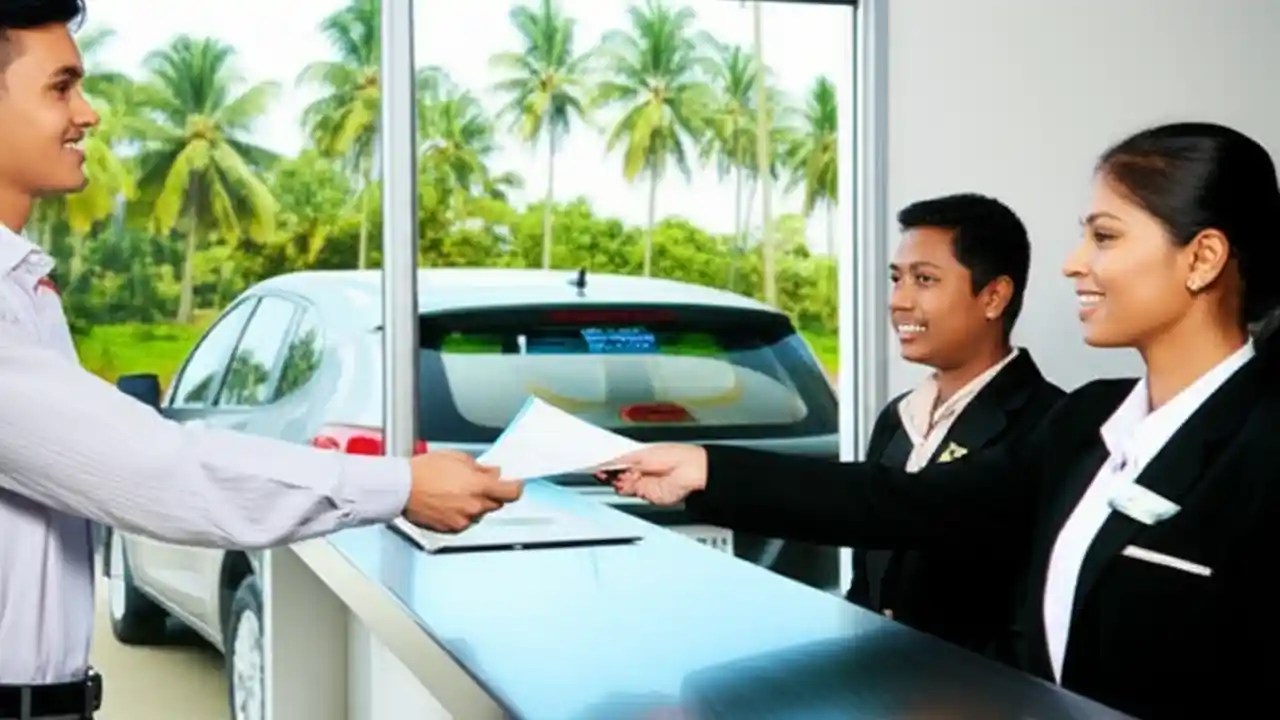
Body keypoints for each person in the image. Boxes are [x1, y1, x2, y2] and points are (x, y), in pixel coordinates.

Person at [602, 121, 1280, 720]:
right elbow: (911, 504)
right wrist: (707, 469)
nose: (1075, 263)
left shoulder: (1264, 442)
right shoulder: (1086, 421)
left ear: (1202, 259)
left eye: (1104, 237)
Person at [0, 2, 519, 715]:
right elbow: (156, 469)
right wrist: (399, 485)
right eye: (61, 87)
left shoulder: (27, 287)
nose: (87, 114)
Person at [847, 193, 1063, 661]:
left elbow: (1034, 621)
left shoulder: (1051, 424)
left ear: (993, 297)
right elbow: (865, 588)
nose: (899, 301)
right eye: (896, 279)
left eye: (924, 280)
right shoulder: (896, 419)